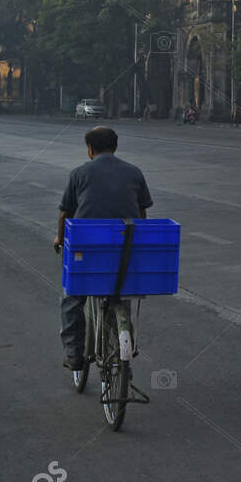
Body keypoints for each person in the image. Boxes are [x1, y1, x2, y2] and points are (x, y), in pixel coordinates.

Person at [53, 125, 153, 371]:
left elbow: (65, 213)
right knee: (121, 292)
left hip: (89, 247)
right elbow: (141, 215)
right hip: (124, 247)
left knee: (71, 299)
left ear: (90, 149)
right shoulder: (134, 172)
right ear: (115, 147)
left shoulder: (79, 173)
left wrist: (59, 238)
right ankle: (123, 342)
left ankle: (74, 356)